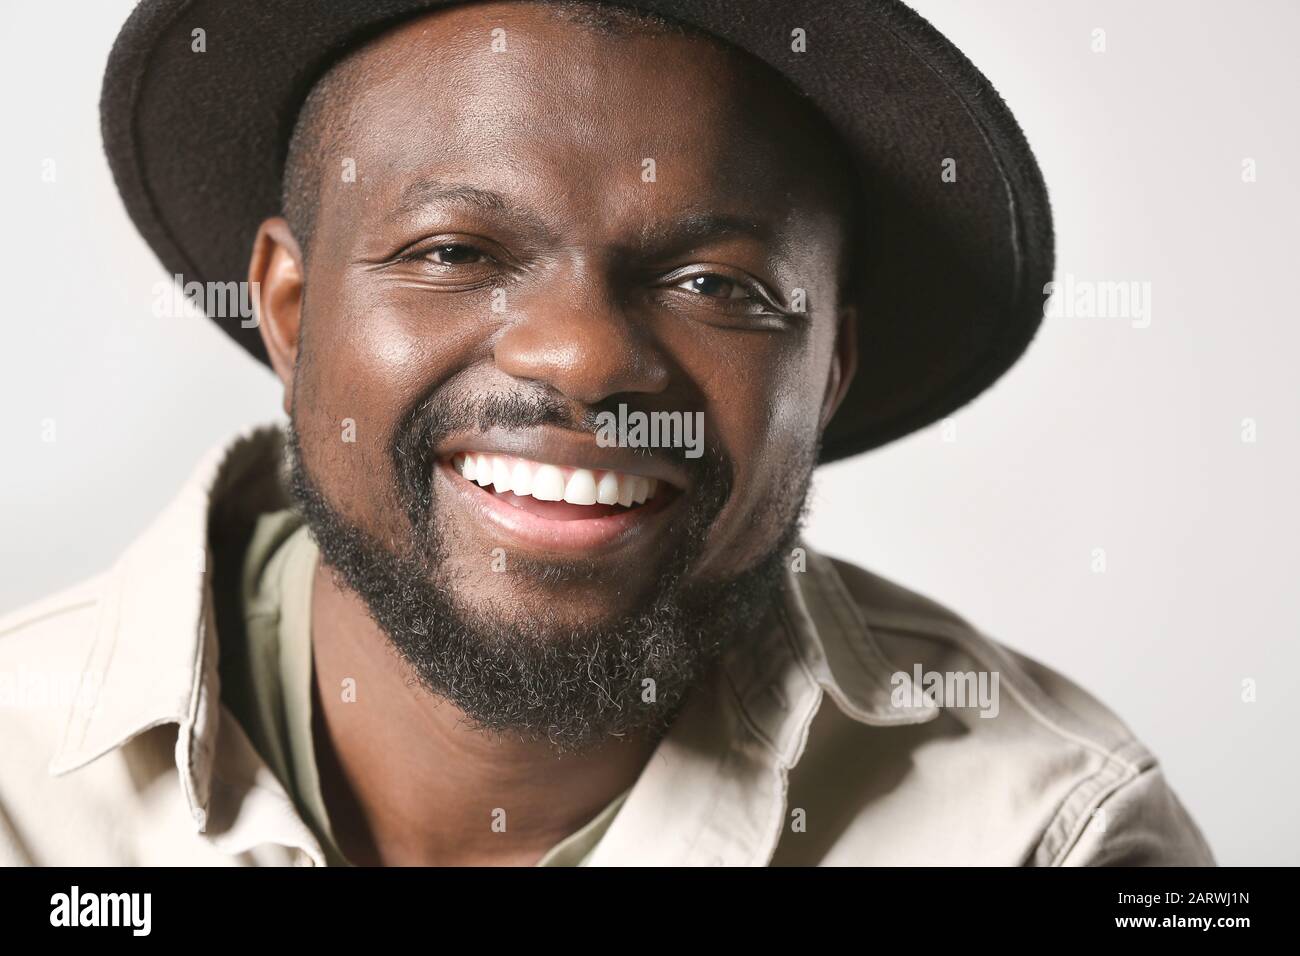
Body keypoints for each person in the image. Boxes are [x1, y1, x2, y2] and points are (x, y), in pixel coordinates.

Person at [0, 0, 1214, 866]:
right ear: (292, 307)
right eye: (455, 252)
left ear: (828, 366)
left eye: (717, 283)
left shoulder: (1049, 837)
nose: (581, 355)